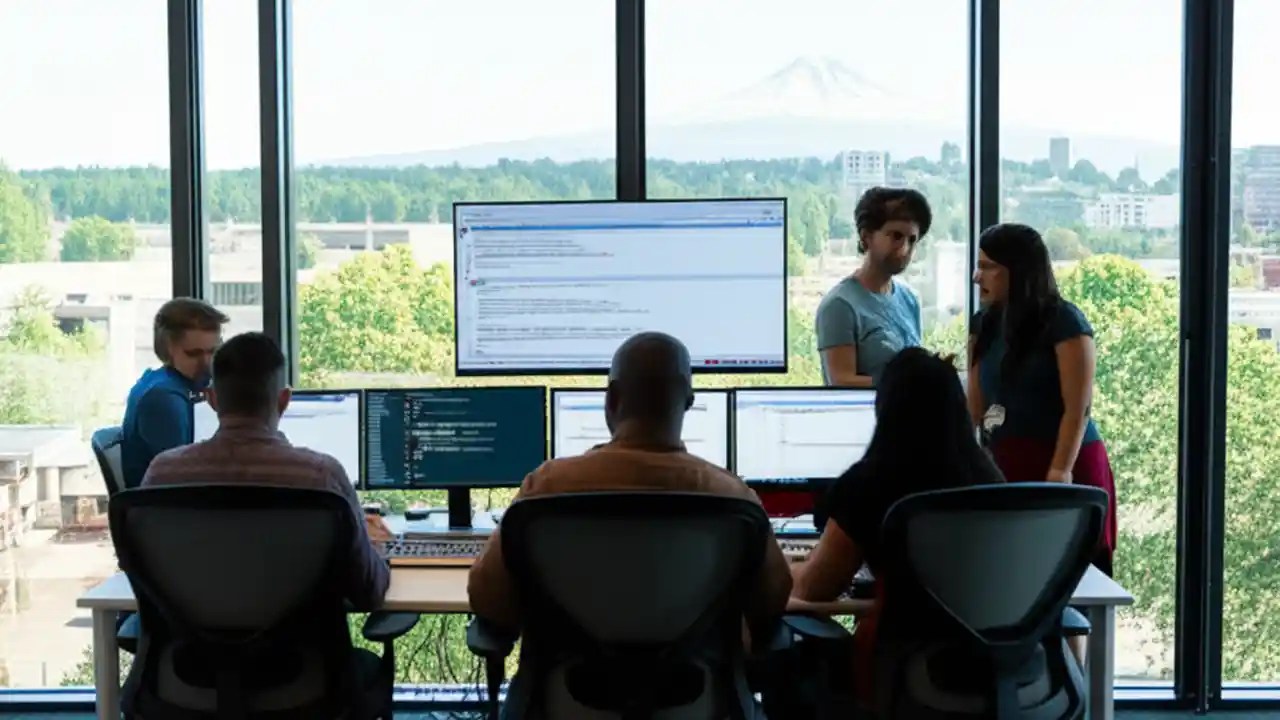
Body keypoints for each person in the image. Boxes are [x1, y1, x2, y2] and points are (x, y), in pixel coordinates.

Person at [468, 331, 792, 632]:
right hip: (692, 690)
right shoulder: (735, 498)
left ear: (611, 399)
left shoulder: (546, 487)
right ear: (689, 403)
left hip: (569, 690)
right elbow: (771, 602)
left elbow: (488, 601)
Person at [789, 348, 1004, 707]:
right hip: (1002, 666)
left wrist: (783, 568)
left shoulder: (868, 483)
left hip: (910, 671)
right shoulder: (990, 480)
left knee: (790, 659)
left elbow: (814, 588)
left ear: (885, 410)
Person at [142, 332, 391, 610]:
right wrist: (375, 546)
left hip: (189, 653)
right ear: (284, 400)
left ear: (212, 399)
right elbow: (368, 592)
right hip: (302, 653)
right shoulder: (321, 477)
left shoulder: (162, 475)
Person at [969, 223, 1117, 576]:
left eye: (989, 267)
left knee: (1072, 583)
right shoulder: (984, 323)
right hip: (1006, 463)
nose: (978, 276)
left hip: (1064, 460)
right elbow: (973, 405)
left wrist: (1059, 471)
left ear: (1018, 272)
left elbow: (1077, 408)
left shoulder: (1064, 321)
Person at [815, 186, 931, 388]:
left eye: (912, 240)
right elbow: (840, 381)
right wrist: (907, 384)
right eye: (895, 236)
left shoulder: (909, 299)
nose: (904, 249)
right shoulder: (840, 306)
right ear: (866, 236)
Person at [120, 298, 228, 489]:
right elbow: (185, 478)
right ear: (167, 349)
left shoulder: (165, 383)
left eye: (213, 351)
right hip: (164, 511)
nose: (206, 363)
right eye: (193, 354)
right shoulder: (164, 399)